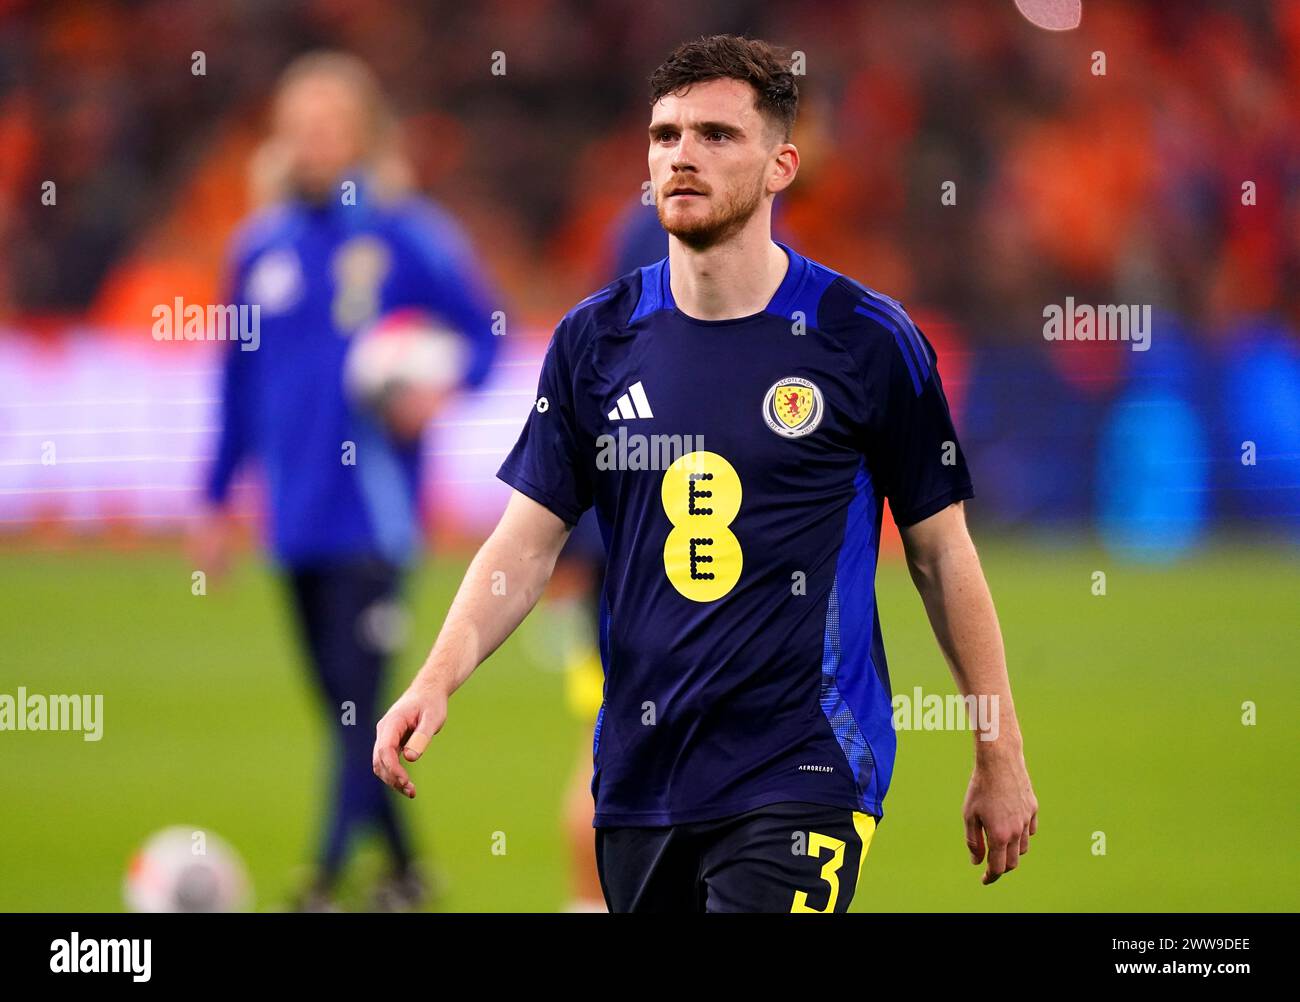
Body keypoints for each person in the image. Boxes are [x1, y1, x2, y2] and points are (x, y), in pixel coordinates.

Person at [373, 34, 1036, 913]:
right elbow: (526, 544)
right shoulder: (594, 341)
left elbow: (941, 556)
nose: (682, 154)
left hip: (803, 770)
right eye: (665, 135)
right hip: (642, 779)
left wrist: (999, 750)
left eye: (718, 135)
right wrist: (436, 676)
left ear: (780, 165)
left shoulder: (865, 340)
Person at [192, 51, 500, 911]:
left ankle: (322, 885)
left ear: (364, 134)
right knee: (345, 713)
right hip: (291, 520)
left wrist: (437, 386)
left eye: (332, 124)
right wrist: (216, 500)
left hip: (375, 516)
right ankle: (404, 875)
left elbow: (484, 337)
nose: (316, 141)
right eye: (302, 125)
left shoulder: (408, 234)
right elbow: (237, 386)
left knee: (356, 707)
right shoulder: (259, 248)